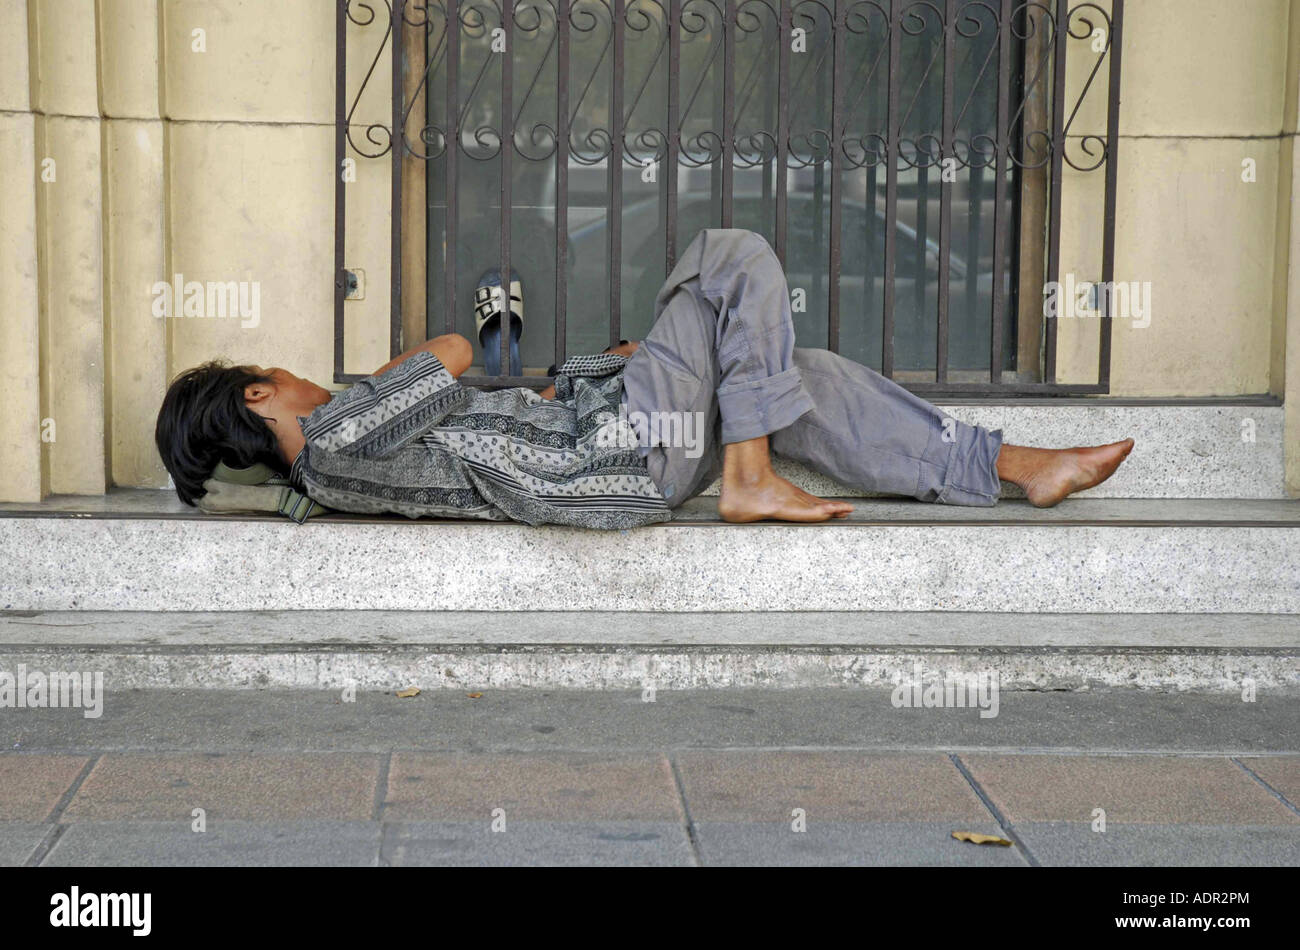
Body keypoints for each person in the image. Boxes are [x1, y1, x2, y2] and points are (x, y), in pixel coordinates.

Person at [155, 228, 1133, 529]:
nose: (298, 375)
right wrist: (385, 375)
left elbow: (495, 414)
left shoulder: (337, 463)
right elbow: (453, 351)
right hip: (621, 454)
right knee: (730, 254)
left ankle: (1017, 465)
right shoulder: (334, 439)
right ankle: (749, 479)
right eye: (278, 371)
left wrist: (614, 368)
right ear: (258, 393)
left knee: (807, 372)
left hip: (618, 441)